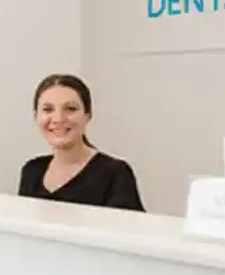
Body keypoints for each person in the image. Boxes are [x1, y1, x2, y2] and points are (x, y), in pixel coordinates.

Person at [18, 74, 145, 212]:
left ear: (88, 115)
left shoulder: (115, 174)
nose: (58, 118)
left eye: (70, 109)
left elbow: (125, 232)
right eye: (48, 109)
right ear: (36, 116)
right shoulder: (31, 171)